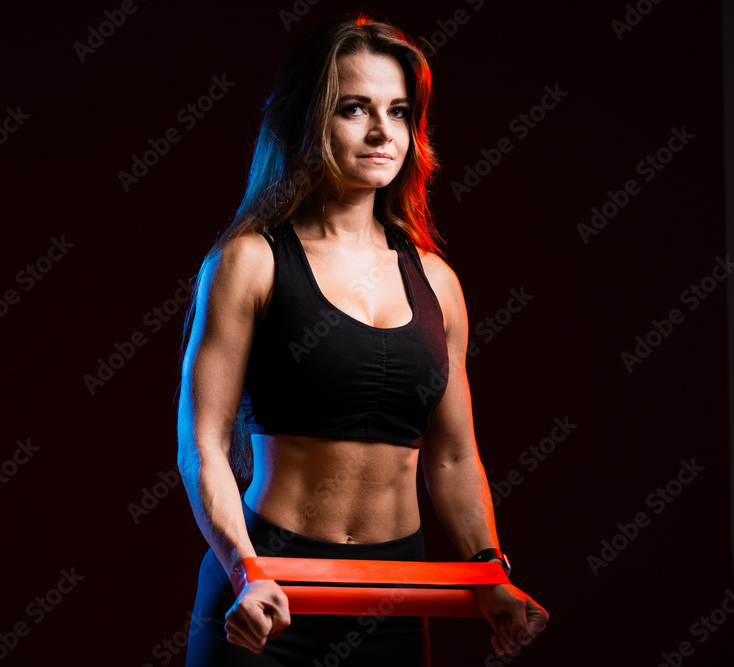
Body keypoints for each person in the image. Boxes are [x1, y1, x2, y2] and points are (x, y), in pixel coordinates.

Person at [176, 14, 548, 666]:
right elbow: (201, 444)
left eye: (398, 111)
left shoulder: (437, 282)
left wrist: (489, 570)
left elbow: (454, 458)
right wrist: (243, 569)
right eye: (355, 108)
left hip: (395, 600)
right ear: (309, 120)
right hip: (266, 595)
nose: (382, 132)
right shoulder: (250, 262)